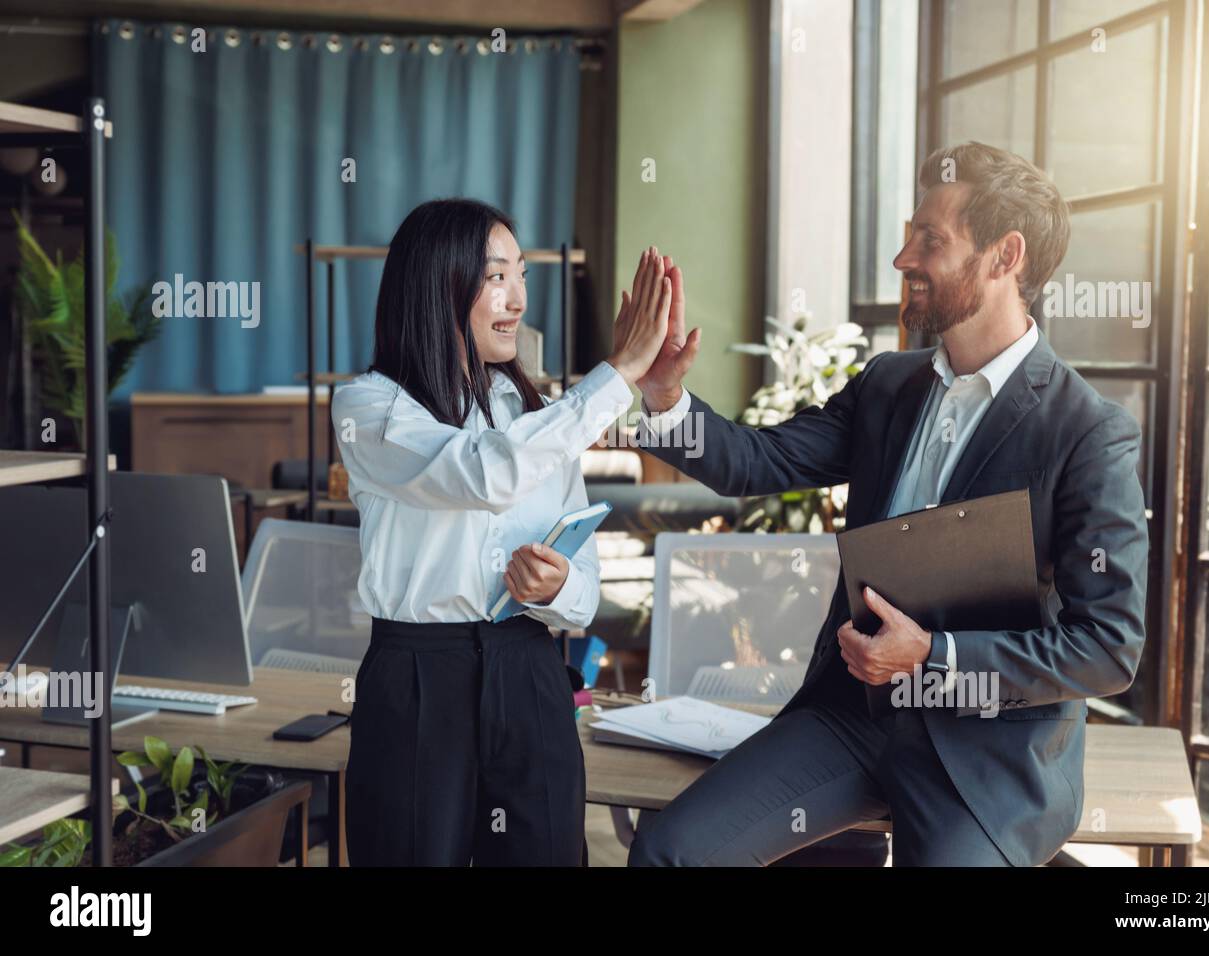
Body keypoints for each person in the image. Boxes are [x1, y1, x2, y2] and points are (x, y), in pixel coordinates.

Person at [627, 142, 1149, 867]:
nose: (903, 258)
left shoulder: (1088, 432)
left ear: (1006, 258)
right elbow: (760, 458)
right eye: (909, 234)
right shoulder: (886, 386)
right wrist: (663, 398)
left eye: (930, 240)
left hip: (985, 753)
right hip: (854, 719)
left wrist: (934, 656)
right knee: (670, 852)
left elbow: (1108, 647)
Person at [332, 197, 672, 865]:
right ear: (438, 283)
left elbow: (585, 596)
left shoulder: (540, 416)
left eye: (521, 274)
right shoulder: (369, 408)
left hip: (531, 672)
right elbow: (482, 474)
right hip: (417, 681)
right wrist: (617, 375)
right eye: (496, 277)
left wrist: (555, 587)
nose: (517, 298)